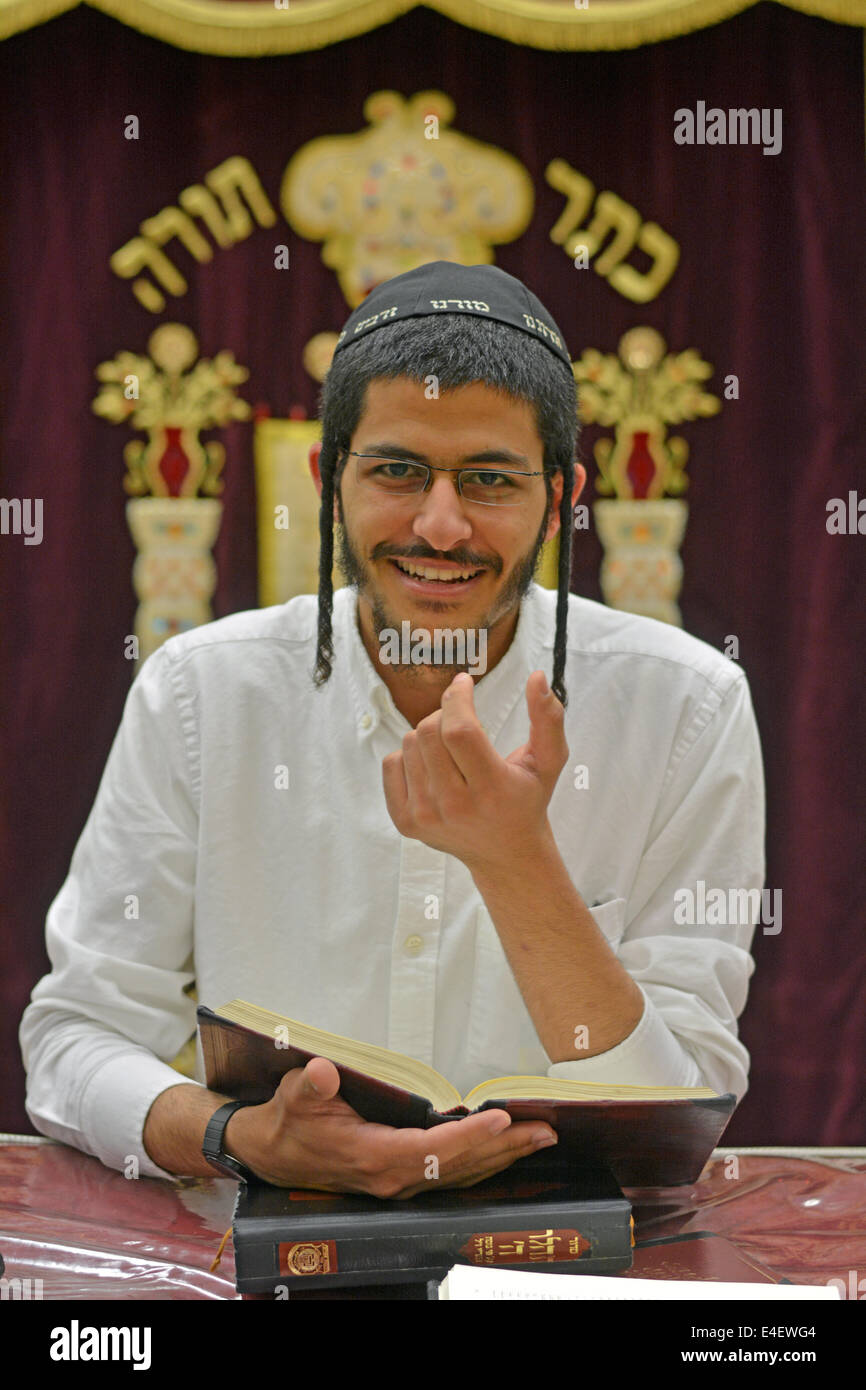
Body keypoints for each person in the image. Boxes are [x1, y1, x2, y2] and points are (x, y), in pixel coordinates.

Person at [20, 262, 765, 1199]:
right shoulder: (202, 693)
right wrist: (239, 1138)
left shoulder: (687, 706)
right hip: (274, 1245)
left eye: (489, 480)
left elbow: (675, 1116)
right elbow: (76, 1037)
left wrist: (516, 861)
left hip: (565, 1254)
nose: (440, 526)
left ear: (560, 498)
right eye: (398, 471)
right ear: (327, 480)